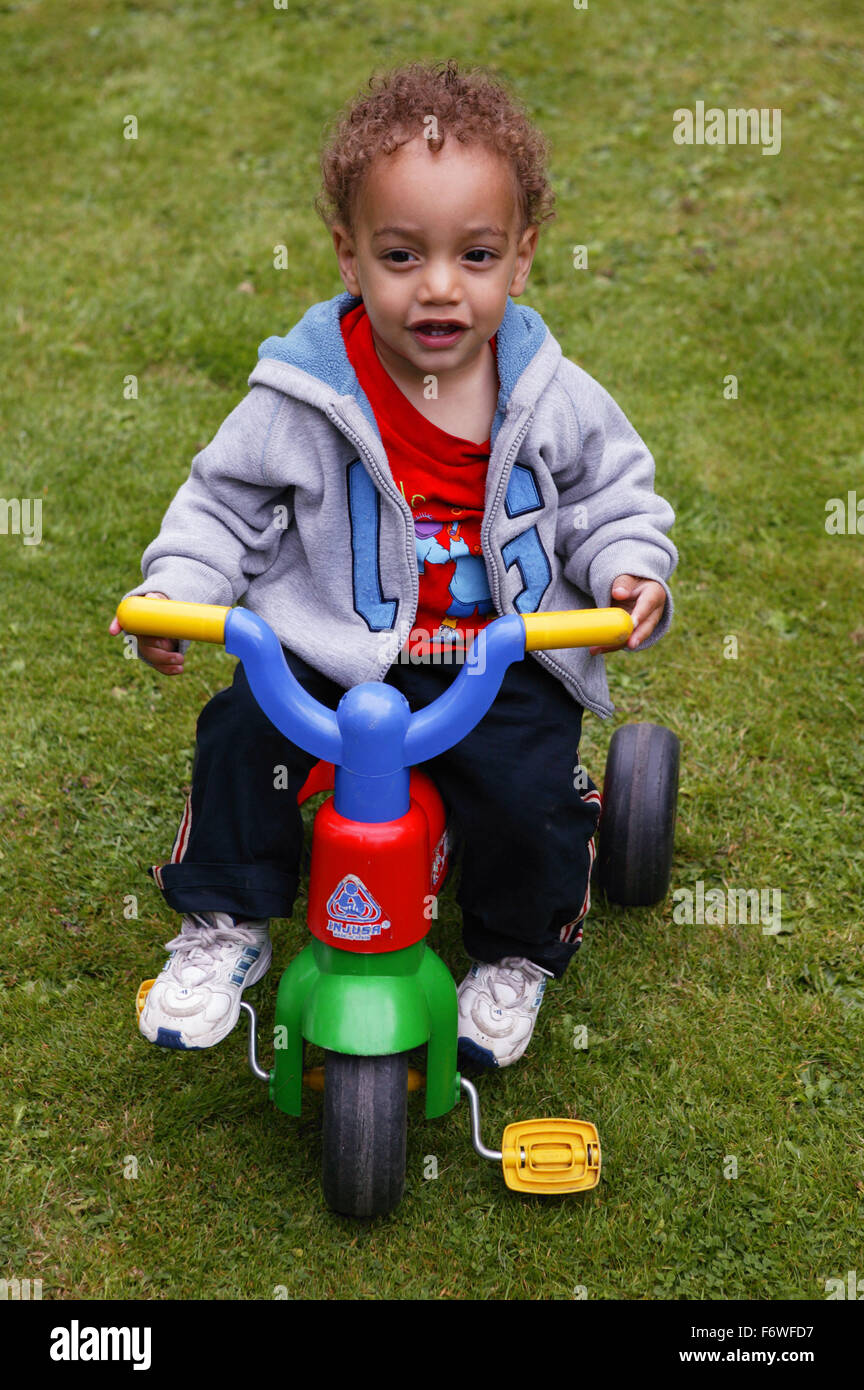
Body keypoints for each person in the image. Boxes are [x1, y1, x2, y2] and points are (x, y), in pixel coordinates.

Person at [111, 59, 677, 1069]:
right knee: (245, 735)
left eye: (476, 255)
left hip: (498, 655)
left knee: (522, 789)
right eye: (403, 255)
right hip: (335, 644)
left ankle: (513, 953)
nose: (441, 288)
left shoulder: (550, 395)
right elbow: (225, 503)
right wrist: (180, 592)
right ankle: (222, 921)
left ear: (524, 257)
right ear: (348, 254)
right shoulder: (305, 394)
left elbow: (607, 498)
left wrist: (630, 568)